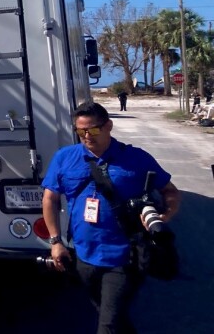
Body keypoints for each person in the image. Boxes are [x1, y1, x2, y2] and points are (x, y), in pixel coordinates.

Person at [42, 102, 181, 334]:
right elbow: (50, 199)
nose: (87, 136)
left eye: (93, 130)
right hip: (84, 257)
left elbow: (171, 191)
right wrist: (55, 242)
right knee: (112, 317)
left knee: (107, 325)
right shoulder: (65, 157)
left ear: (108, 126)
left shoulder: (136, 158)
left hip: (125, 258)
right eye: (80, 131)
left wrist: (165, 215)